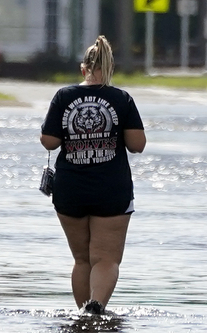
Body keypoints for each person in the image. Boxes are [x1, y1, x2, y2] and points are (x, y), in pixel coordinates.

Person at [39, 36, 145, 315]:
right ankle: (95, 307)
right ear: (110, 68)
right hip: (111, 190)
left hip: (70, 189)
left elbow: (49, 141)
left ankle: (83, 318)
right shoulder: (121, 99)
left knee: (81, 259)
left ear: (82, 68)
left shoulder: (64, 96)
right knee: (106, 259)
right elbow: (137, 145)